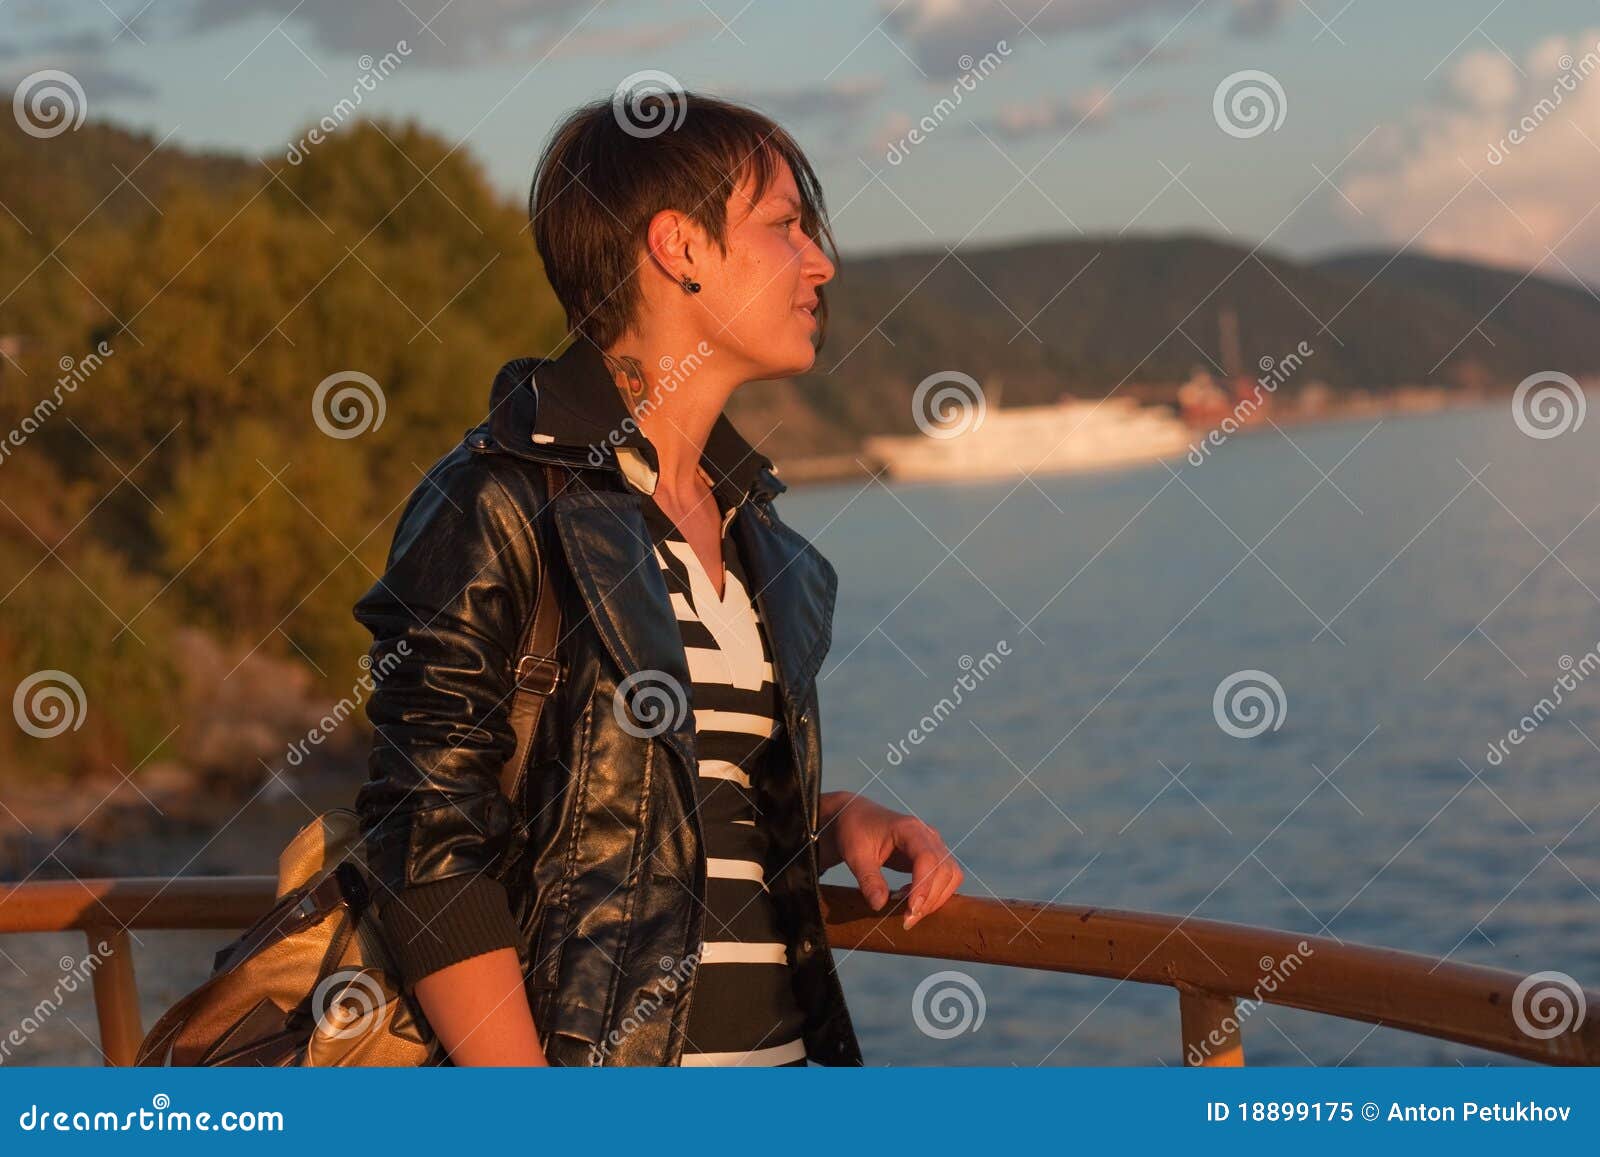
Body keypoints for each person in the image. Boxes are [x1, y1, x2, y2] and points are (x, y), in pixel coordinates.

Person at [352, 89, 963, 1067]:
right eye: (785, 226)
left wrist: (824, 814)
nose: (822, 262)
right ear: (679, 246)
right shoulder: (500, 502)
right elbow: (424, 836)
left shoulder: (760, 536)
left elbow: (639, 817)